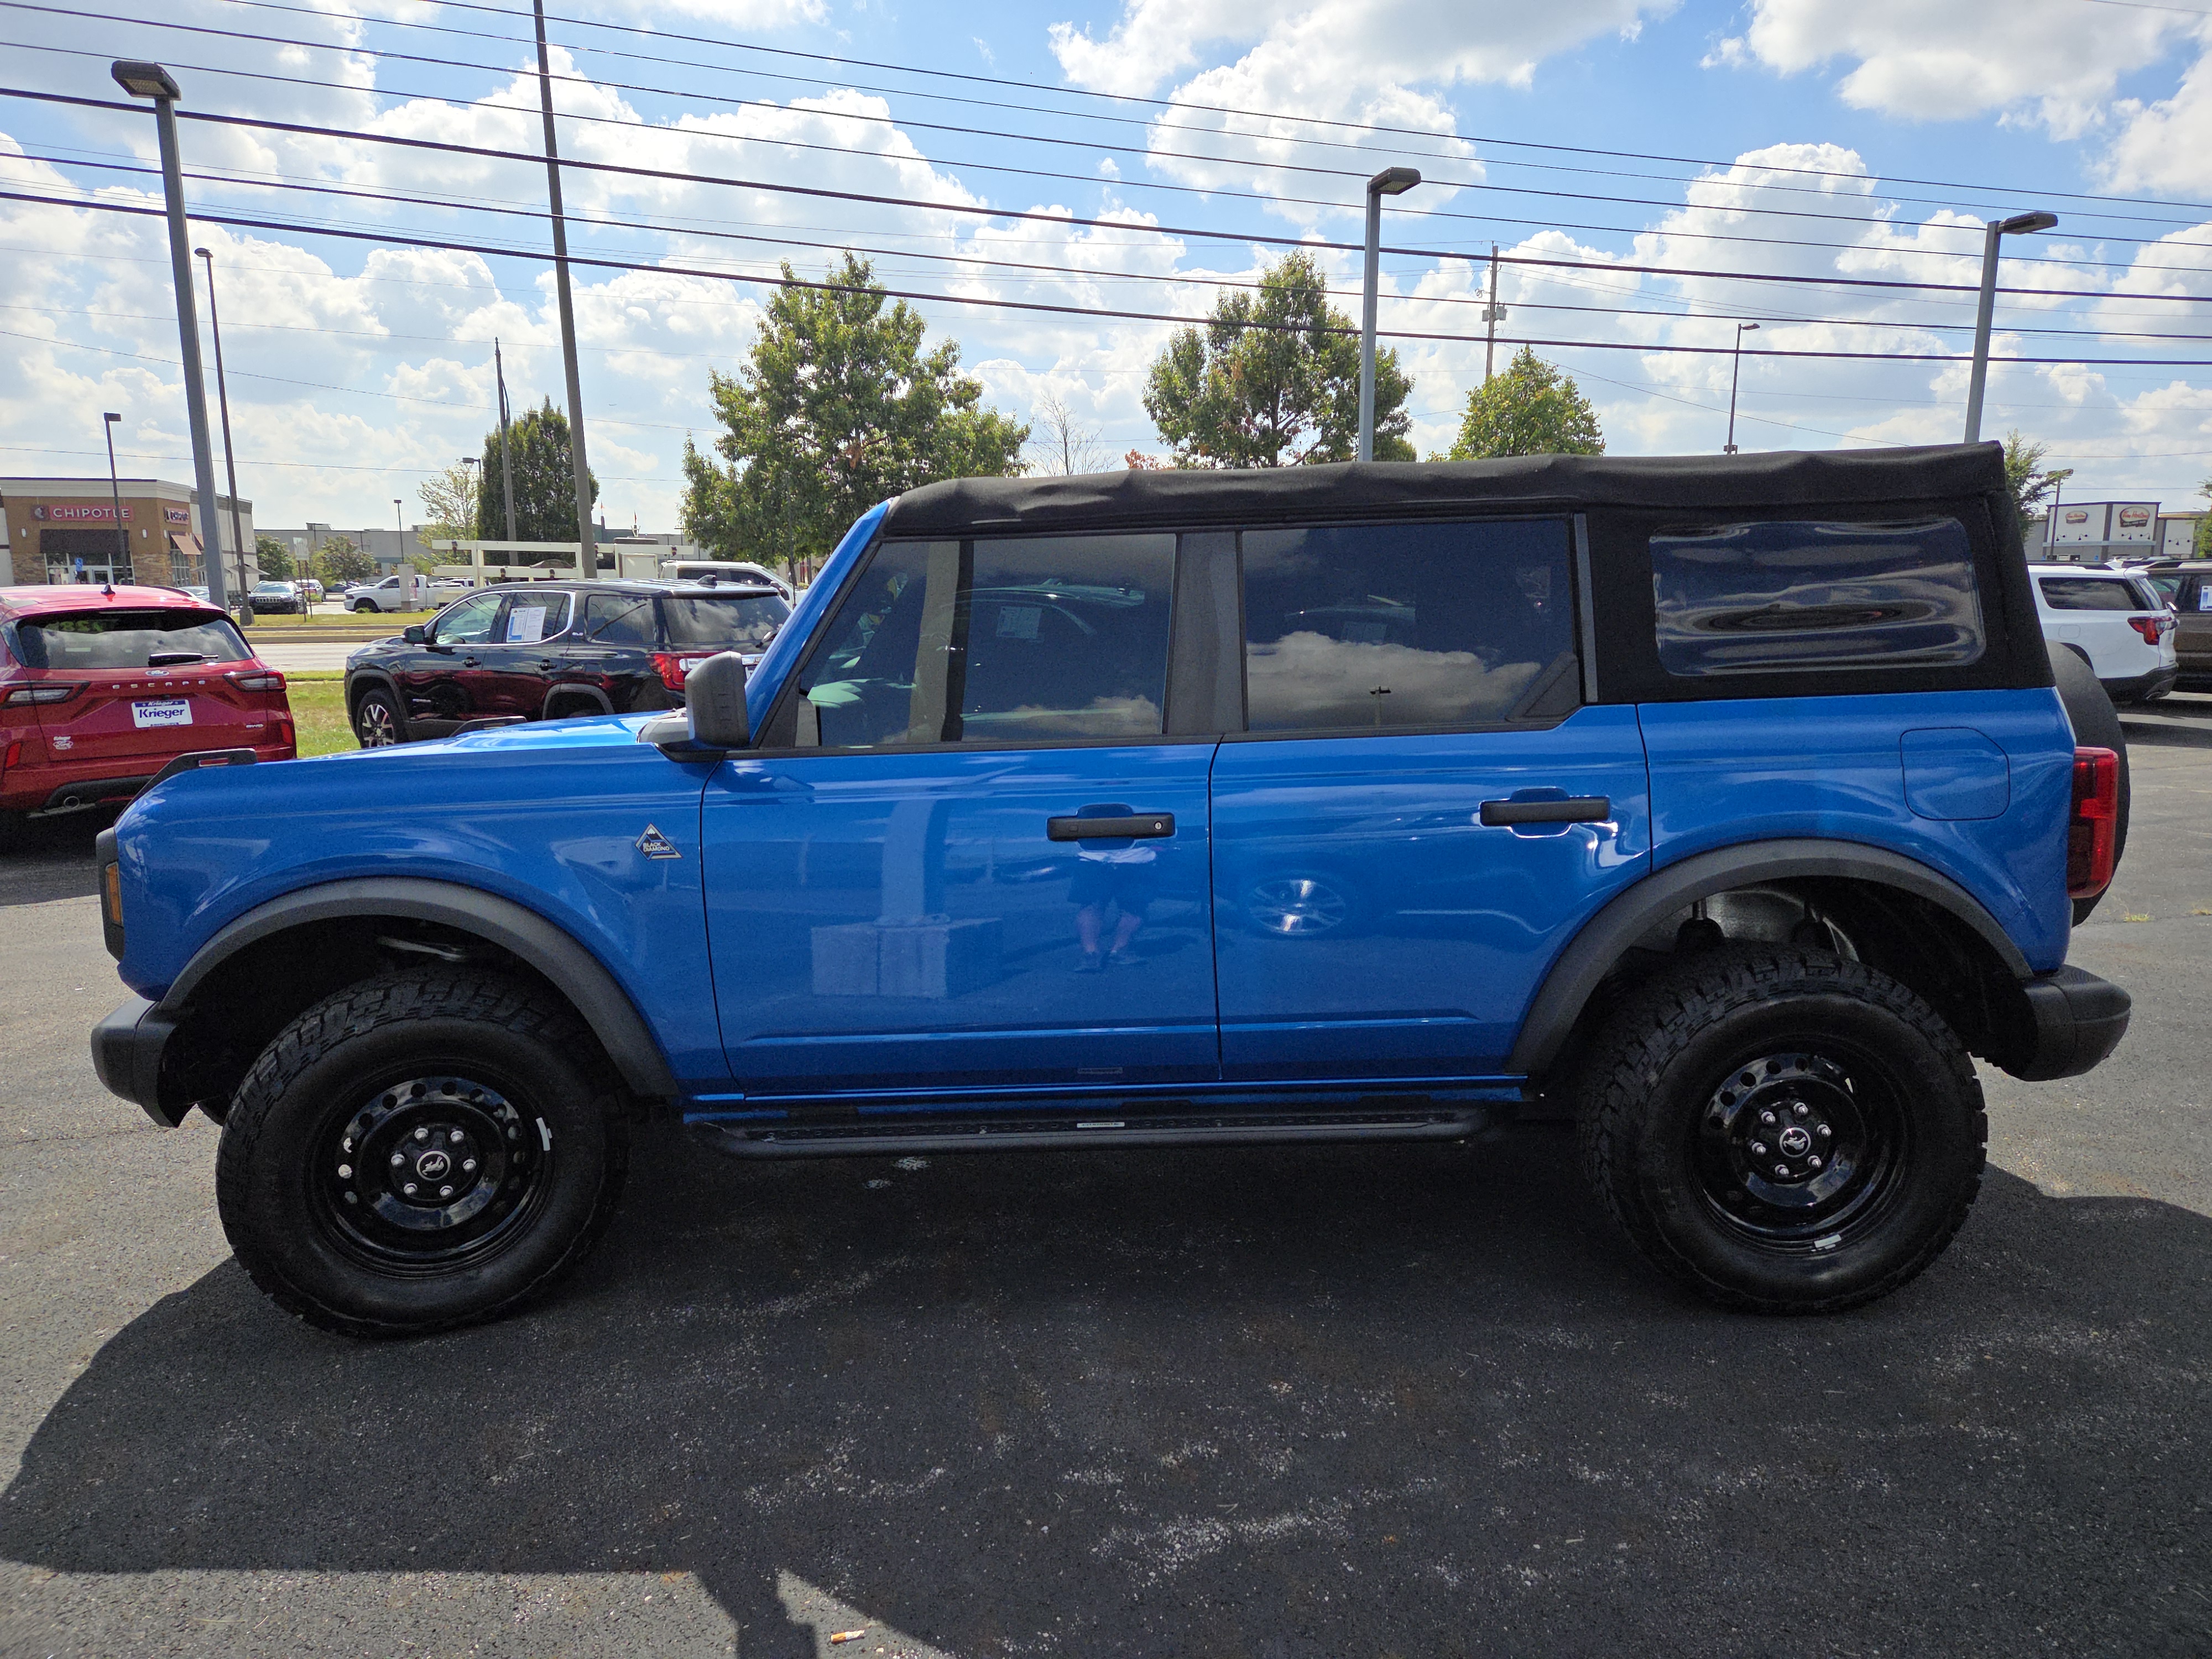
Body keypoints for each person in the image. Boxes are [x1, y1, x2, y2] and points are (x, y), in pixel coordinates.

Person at [1068, 804, 1156, 971]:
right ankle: (1120, 950)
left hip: (1093, 858)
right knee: (1134, 908)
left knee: (1091, 908)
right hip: (1135, 859)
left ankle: (1091, 955)